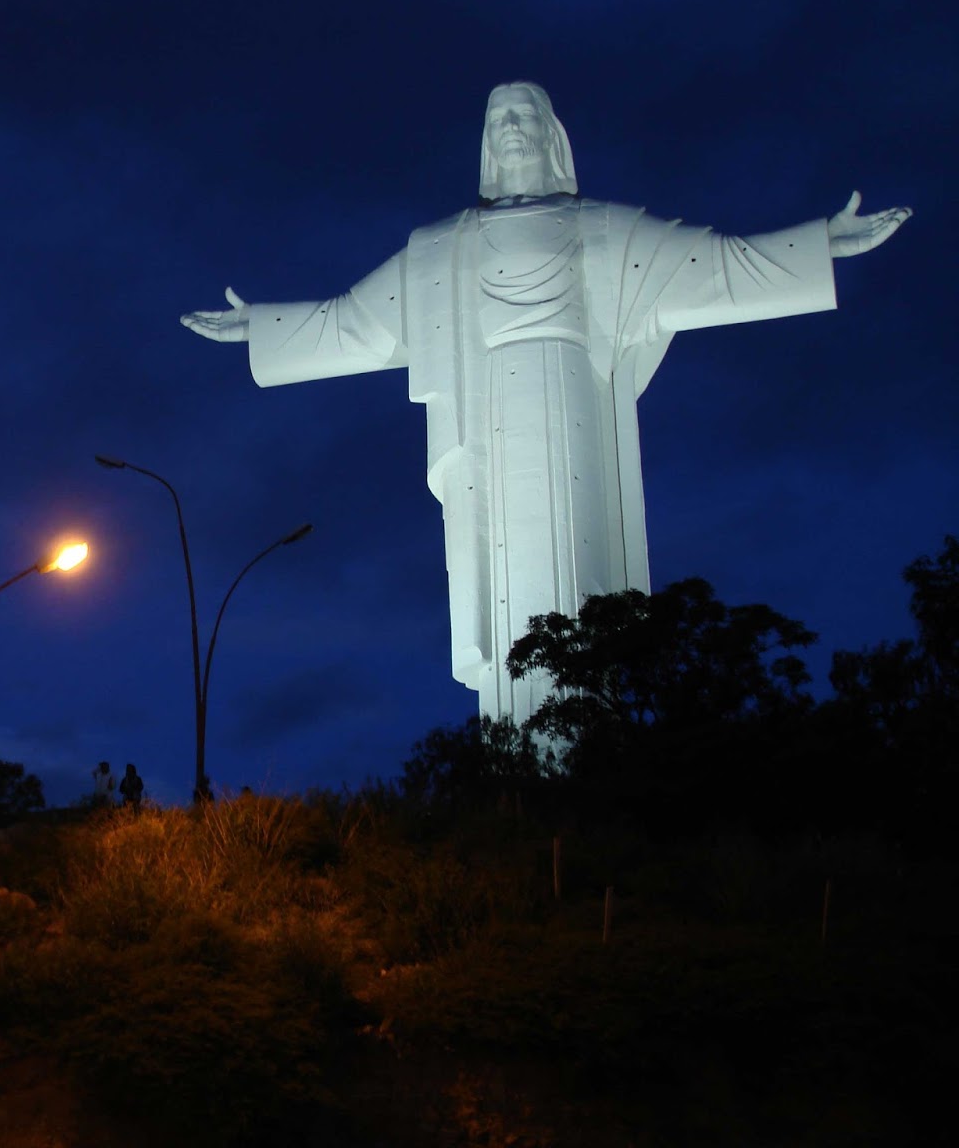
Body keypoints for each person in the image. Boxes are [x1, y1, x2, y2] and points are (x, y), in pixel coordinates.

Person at [182, 81, 910, 727]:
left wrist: (818, 245)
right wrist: (262, 327)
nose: (510, 125)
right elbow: (351, 321)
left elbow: (718, 264)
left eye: (524, 112)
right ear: (485, 142)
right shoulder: (441, 250)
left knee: (582, 599)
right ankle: (519, 774)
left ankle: (588, 761)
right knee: (509, 613)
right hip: (488, 430)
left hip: (572, 416)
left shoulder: (600, 228)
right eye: (497, 115)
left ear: (552, 135)